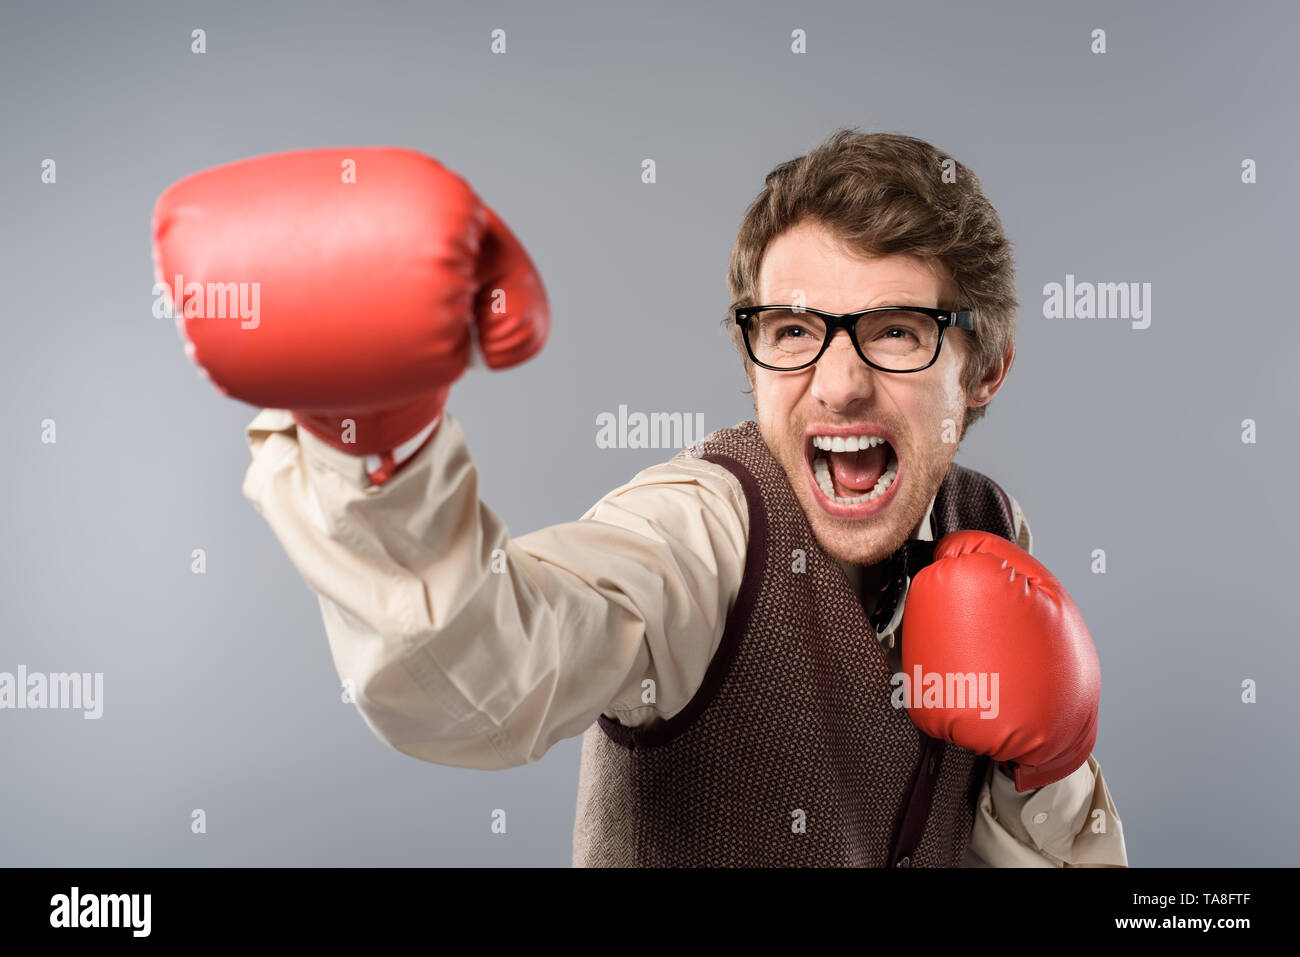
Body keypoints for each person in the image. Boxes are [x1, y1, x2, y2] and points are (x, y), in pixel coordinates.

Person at [153, 130, 1127, 867]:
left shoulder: (986, 524)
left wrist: (1049, 778)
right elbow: (476, 674)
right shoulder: (699, 533)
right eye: (791, 330)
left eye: (897, 330)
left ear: (985, 367)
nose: (836, 385)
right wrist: (368, 432)